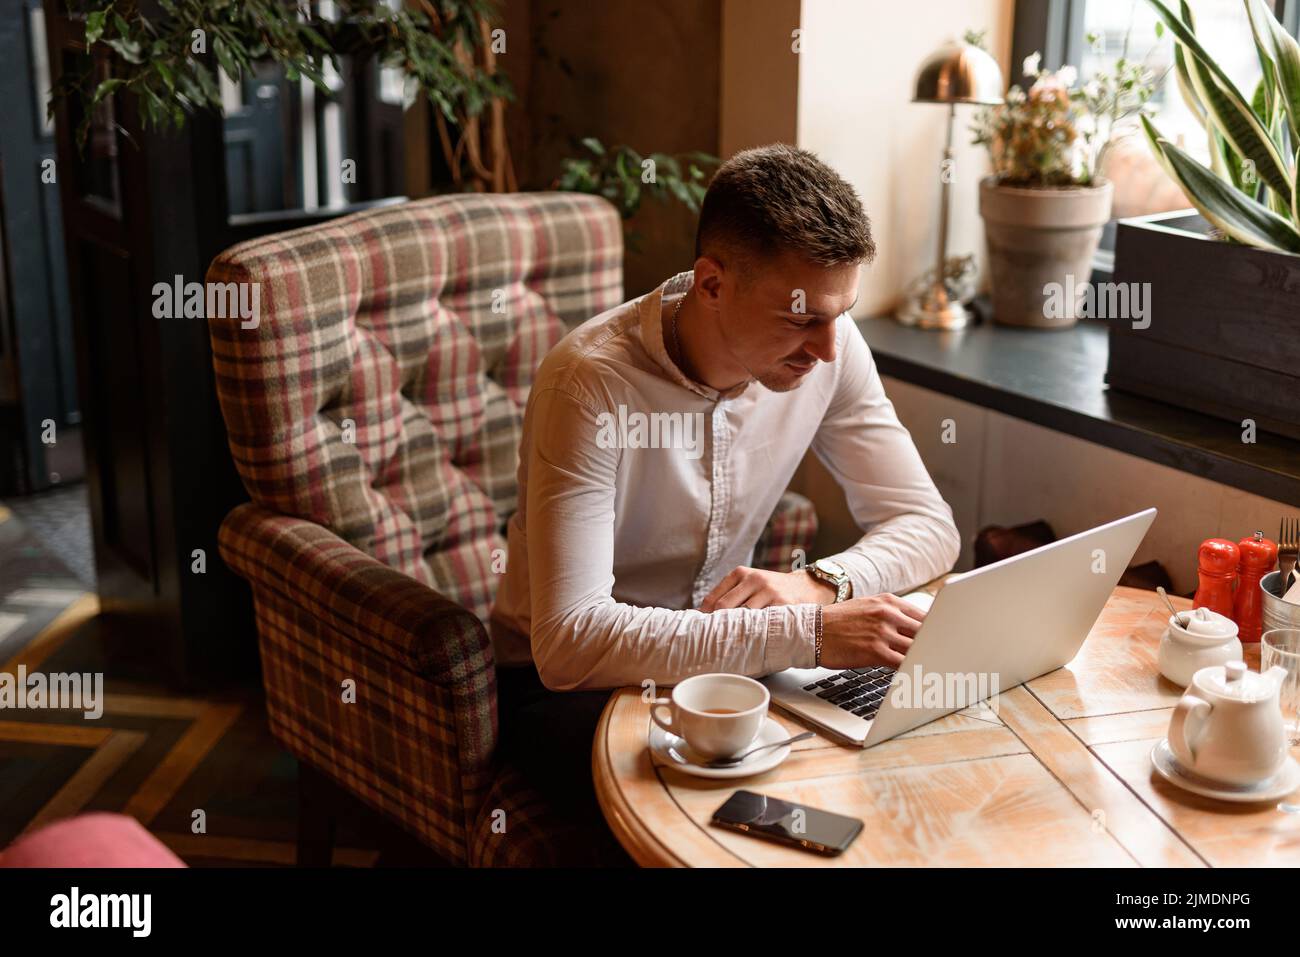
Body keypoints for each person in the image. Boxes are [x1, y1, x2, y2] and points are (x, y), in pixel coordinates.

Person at [488, 144, 960, 862]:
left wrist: (819, 584)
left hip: (730, 657)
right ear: (711, 284)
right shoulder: (587, 387)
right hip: (569, 693)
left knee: (909, 760)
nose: (829, 349)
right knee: (770, 835)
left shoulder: (829, 341)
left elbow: (928, 525)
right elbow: (571, 643)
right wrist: (811, 632)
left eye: (842, 314)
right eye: (801, 318)